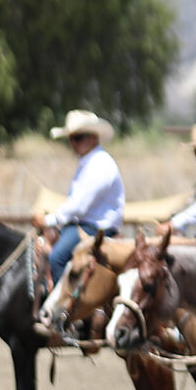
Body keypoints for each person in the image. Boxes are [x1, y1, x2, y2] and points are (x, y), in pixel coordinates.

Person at [36, 109, 124, 284]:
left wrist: (47, 221)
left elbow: (79, 206)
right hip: (84, 224)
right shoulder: (91, 162)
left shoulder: (100, 164)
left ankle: (66, 307)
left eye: (78, 137)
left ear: (93, 137)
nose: (73, 143)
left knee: (56, 259)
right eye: (71, 138)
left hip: (95, 228)